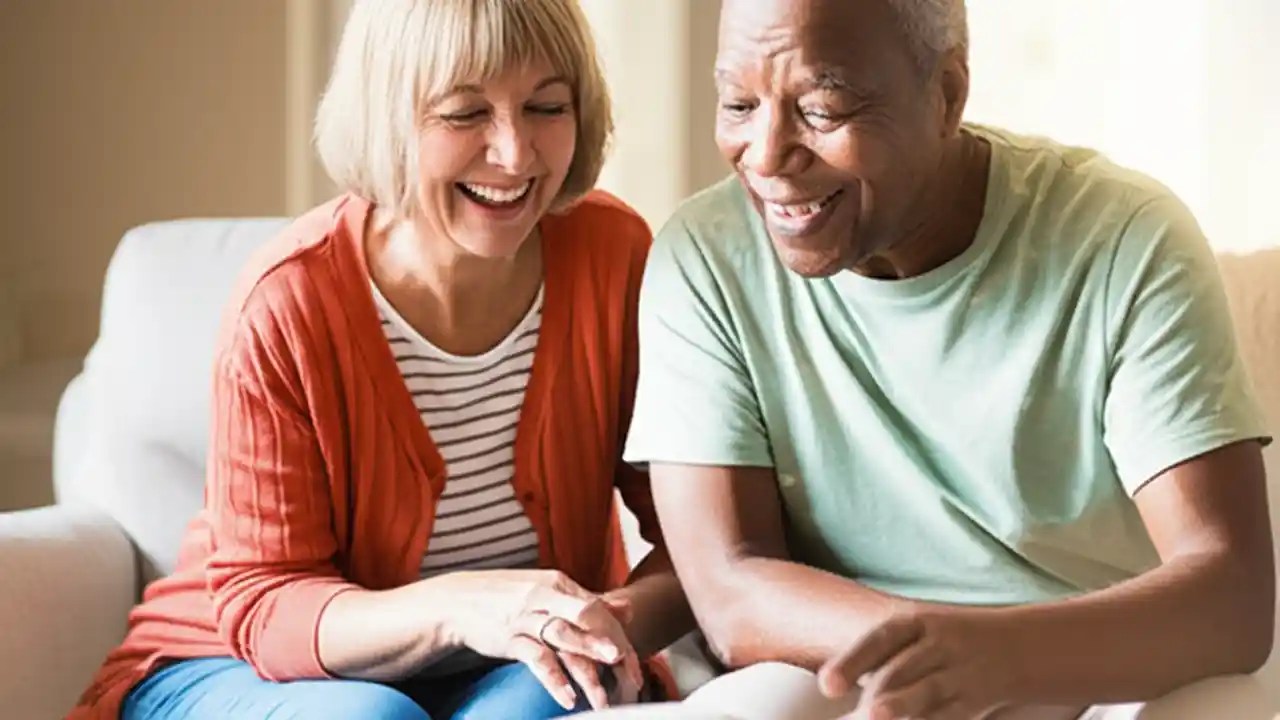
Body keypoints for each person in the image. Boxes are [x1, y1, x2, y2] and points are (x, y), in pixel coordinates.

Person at [622, 0, 1274, 718]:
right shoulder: (707, 254)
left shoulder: (1125, 239)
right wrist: (926, 645)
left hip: (1086, 662)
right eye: (739, 103)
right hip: (841, 663)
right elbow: (730, 589)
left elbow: (1230, 597)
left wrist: (998, 655)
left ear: (947, 95)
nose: (768, 154)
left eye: (823, 108)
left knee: (1221, 708)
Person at [70, 1, 692, 718]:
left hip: (505, 669)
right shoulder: (289, 301)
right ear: (388, 115)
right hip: (228, 665)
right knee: (371, 717)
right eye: (465, 114)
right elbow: (266, 607)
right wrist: (461, 606)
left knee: (545, 706)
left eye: (546, 106)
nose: (516, 154)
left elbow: (696, 536)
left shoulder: (614, 258)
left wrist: (601, 628)